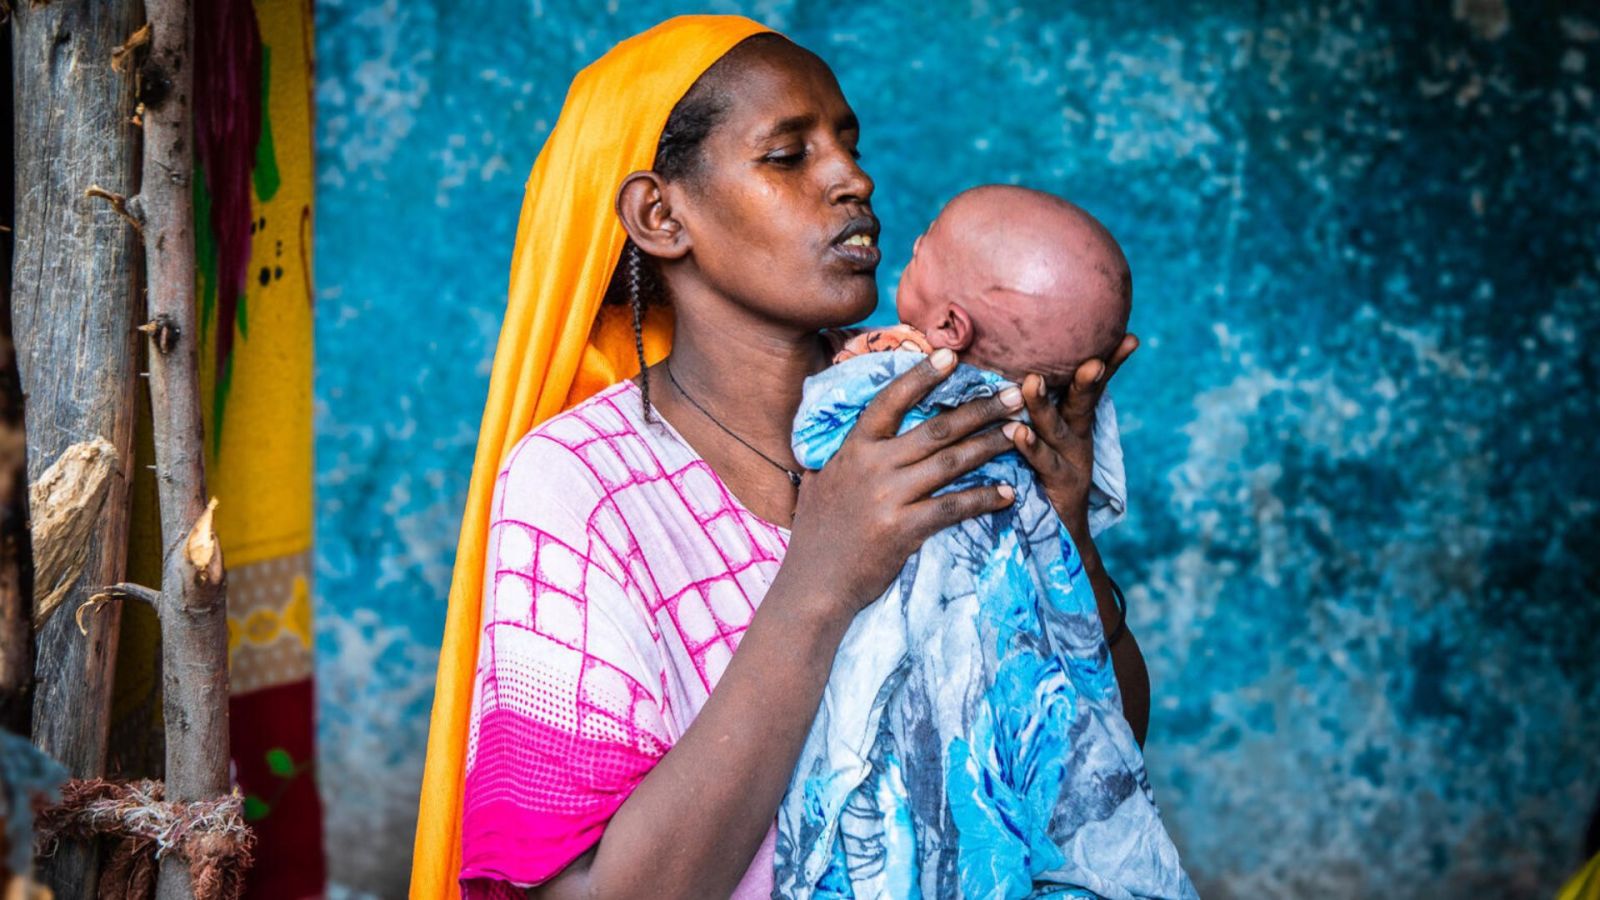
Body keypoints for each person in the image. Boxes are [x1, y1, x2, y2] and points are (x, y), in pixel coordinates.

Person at [410, 16, 1144, 899]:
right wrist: (824, 575)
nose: (854, 178)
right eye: (788, 156)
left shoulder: (934, 424)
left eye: (848, 142)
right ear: (660, 214)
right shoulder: (583, 485)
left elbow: (1095, 775)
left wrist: (1066, 543)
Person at [775, 186, 1192, 898]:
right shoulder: (1028, 428)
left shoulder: (893, 383)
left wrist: (862, 359)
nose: (909, 237)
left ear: (949, 325)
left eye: (927, 236)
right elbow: (1090, 704)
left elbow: (818, 430)